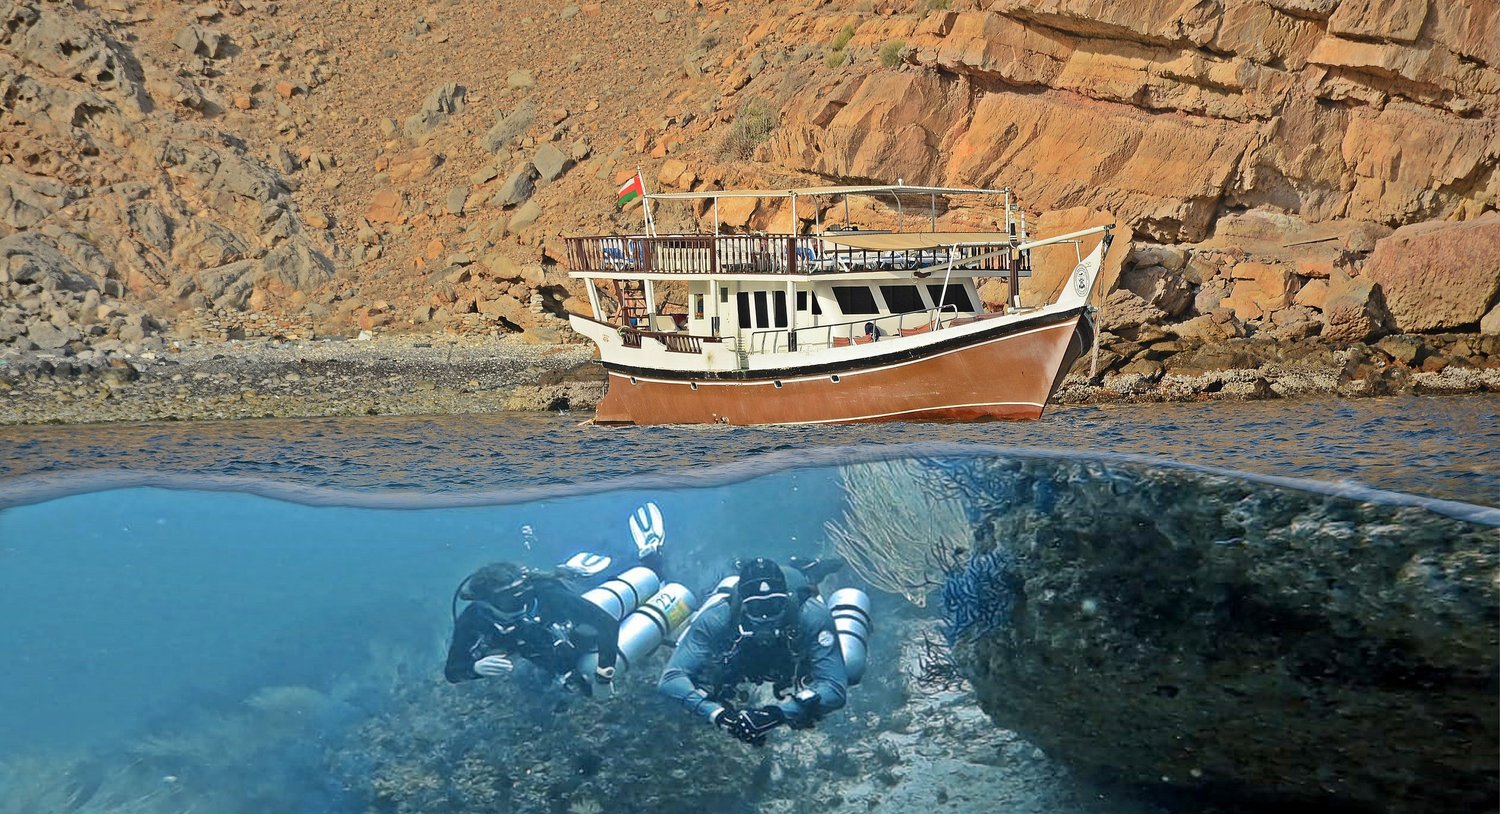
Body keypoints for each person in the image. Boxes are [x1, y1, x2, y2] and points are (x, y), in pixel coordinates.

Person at [444, 503, 669, 695]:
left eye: (523, 595)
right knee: (582, 688)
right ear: (487, 603)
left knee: (647, 584)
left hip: (575, 627)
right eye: (510, 601)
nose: (521, 604)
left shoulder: (545, 593)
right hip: (550, 650)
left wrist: (604, 672)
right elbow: (453, 671)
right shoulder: (474, 618)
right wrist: (476, 668)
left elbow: (605, 622)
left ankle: (651, 559)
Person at [658, 556, 848, 744]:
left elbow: (834, 687)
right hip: (741, 660)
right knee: (703, 676)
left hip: (791, 661)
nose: (765, 614)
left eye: (774, 604)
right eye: (757, 606)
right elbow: (671, 679)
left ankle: (808, 573)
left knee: (851, 671)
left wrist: (775, 715)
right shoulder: (718, 616)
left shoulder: (812, 614)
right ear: (743, 603)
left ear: (786, 598)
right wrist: (719, 714)